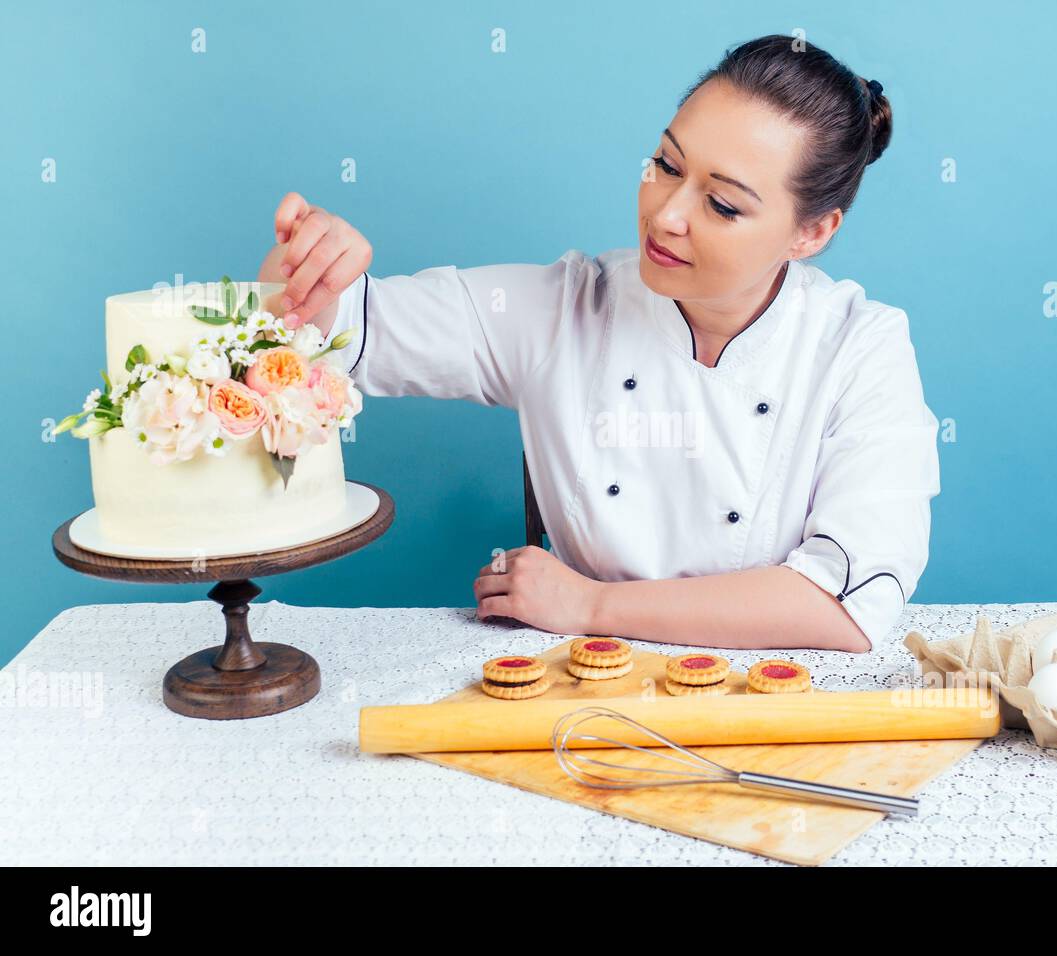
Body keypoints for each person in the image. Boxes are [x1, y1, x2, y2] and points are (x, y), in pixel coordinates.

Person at [258, 35, 940, 653]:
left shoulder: (861, 348)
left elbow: (841, 609)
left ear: (812, 233)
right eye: (666, 165)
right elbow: (337, 331)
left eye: (723, 205)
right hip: (587, 688)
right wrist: (310, 265)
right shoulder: (565, 306)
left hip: (775, 701)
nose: (665, 214)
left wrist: (589, 602)